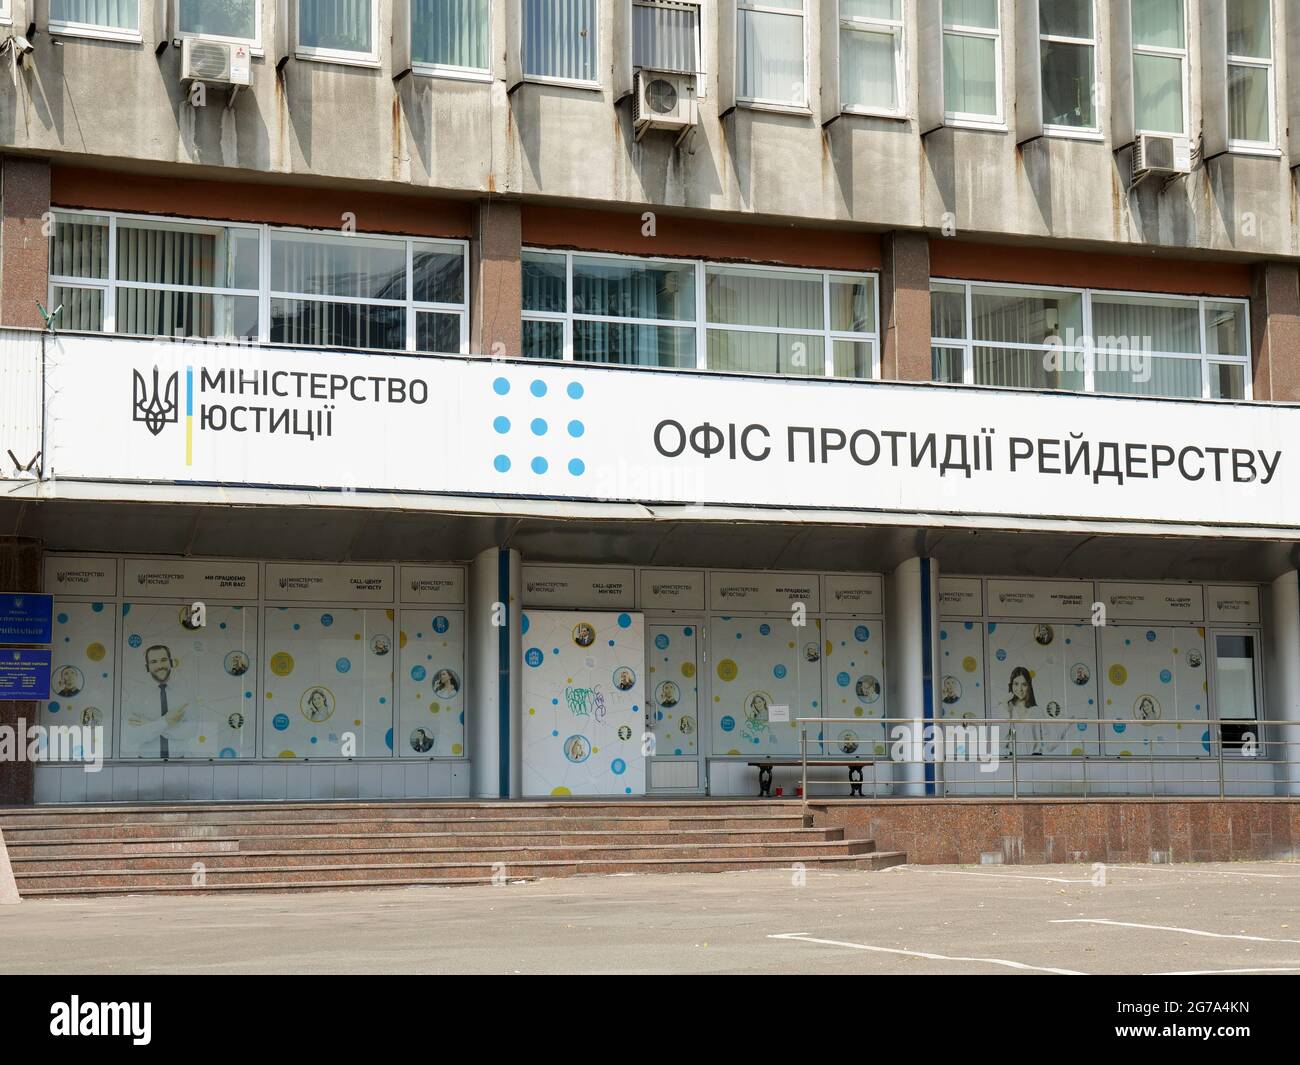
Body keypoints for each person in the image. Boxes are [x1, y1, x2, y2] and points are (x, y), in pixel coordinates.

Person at [126, 645, 188, 759]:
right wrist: (166, 722)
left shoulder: (185, 692)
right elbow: (133, 736)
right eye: (154, 662)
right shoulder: (137, 695)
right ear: (147, 667)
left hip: (179, 760)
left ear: (171, 662)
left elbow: (190, 730)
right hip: (145, 762)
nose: (160, 666)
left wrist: (149, 725)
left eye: (163, 660)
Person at [1000, 665, 1041, 756]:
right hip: (1013, 758)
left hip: (1034, 759)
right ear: (1011, 685)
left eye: (1024, 684)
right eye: (1016, 684)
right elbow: (1002, 743)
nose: (1020, 689)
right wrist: (1006, 711)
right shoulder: (1006, 707)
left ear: (1029, 686)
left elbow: (1049, 744)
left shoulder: (1036, 711)